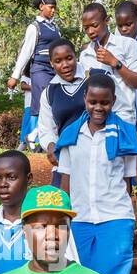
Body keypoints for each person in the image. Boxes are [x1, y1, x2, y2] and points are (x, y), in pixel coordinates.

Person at [54, 74, 137, 274]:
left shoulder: (125, 133)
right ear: (84, 100)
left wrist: (128, 216)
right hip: (79, 220)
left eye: (105, 102)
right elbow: (64, 180)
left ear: (113, 102)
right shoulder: (70, 135)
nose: (98, 107)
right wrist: (62, 220)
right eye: (93, 101)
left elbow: (128, 182)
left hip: (114, 219)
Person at [77, 2, 137, 127]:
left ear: (107, 21)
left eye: (94, 25)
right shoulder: (85, 55)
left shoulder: (127, 45)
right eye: (86, 28)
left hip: (123, 117)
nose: (90, 31)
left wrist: (115, 62)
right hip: (96, 119)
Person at [29, 38, 87, 182]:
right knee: (61, 200)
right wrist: (50, 145)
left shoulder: (93, 79)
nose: (65, 65)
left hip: (96, 155)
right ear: (51, 64)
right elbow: (46, 128)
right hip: (66, 159)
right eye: (58, 61)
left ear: (76, 56)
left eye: (69, 58)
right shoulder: (49, 92)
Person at [8, 0, 61, 128]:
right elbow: (26, 53)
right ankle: (34, 139)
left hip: (54, 70)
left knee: (55, 103)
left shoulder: (56, 28)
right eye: (51, 7)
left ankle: (49, 139)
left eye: (55, 8)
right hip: (40, 69)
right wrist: (15, 76)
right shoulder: (34, 27)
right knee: (40, 103)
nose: (53, 10)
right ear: (41, 7)